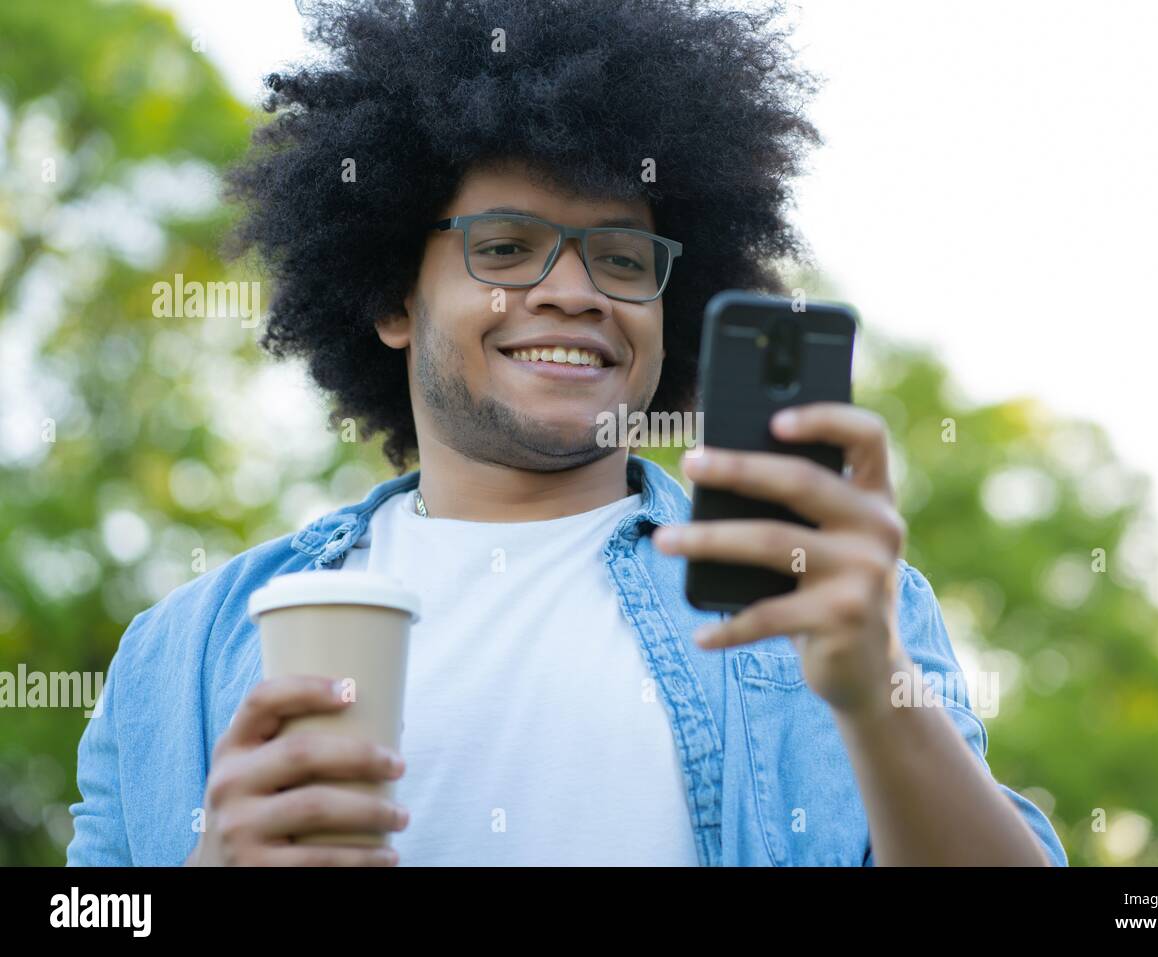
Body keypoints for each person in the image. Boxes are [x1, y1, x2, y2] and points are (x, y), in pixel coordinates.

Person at [67, 0, 1066, 866]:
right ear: (391, 296)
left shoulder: (822, 595)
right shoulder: (180, 653)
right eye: (505, 248)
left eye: (623, 259)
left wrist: (878, 705)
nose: (574, 293)